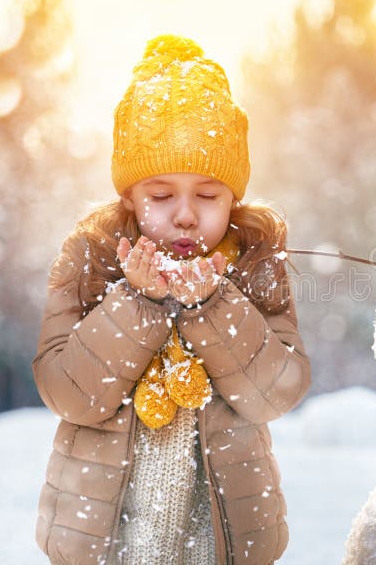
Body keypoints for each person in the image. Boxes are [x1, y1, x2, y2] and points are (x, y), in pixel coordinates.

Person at [32, 34, 311, 565]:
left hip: (221, 537)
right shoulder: (90, 259)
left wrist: (214, 305)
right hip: (105, 536)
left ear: (233, 199)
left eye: (207, 195)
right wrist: (138, 303)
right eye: (161, 195)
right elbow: (68, 393)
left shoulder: (253, 265)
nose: (185, 214)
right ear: (130, 198)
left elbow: (277, 393)